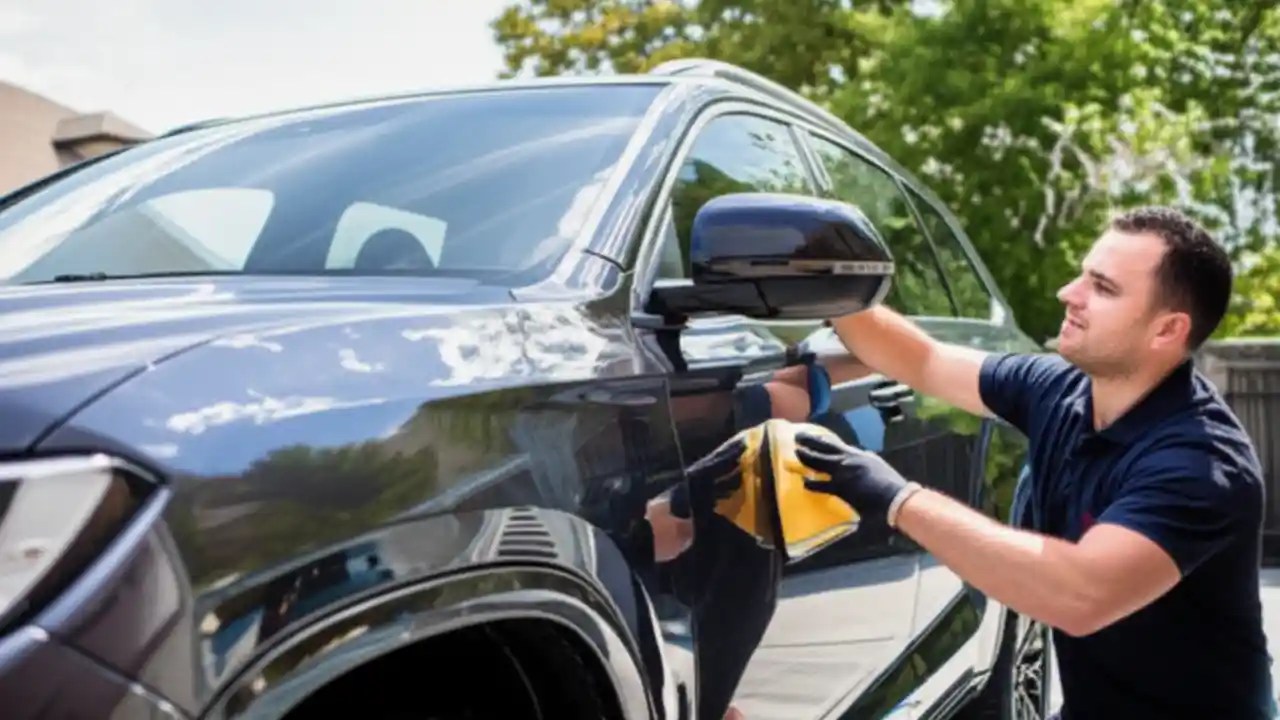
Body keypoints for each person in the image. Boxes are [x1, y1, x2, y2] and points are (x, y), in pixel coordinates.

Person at [690, 206, 1274, 718]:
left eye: (1102, 287)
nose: (1068, 293)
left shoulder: (1201, 463)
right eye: (1083, 274)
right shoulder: (1060, 390)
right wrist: (826, 282)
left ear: (1167, 330)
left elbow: (1080, 594)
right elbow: (922, 360)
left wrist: (897, 499)